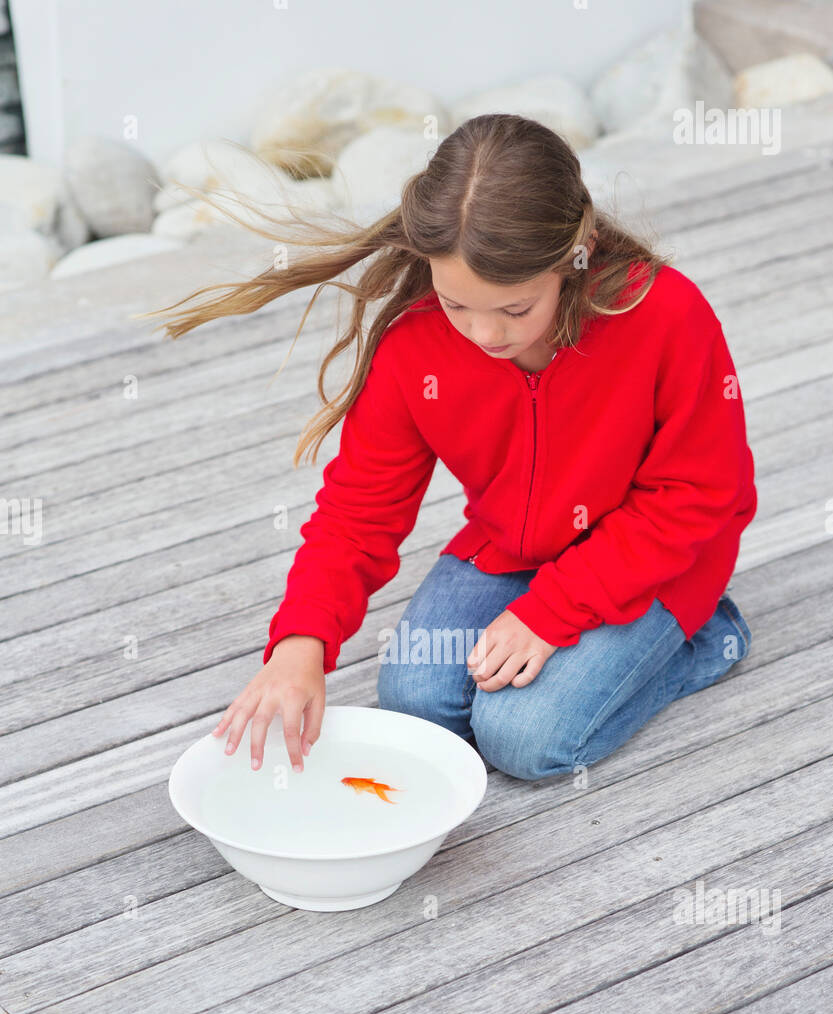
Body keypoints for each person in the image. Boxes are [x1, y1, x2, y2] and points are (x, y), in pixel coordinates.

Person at [150, 113, 756, 781]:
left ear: (572, 257)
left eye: (515, 310)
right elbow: (360, 511)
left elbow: (701, 493)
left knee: (524, 740)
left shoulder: (664, 314)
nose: (483, 334)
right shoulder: (416, 340)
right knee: (415, 706)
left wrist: (553, 611)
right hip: (513, 549)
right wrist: (301, 644)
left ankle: (699, 641)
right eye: (456, 303)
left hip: (663, 559)